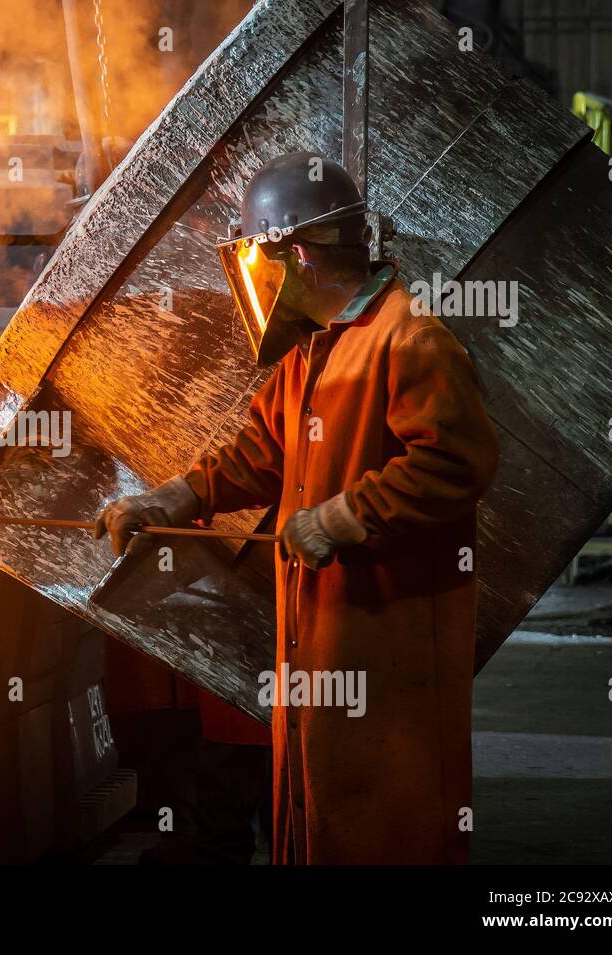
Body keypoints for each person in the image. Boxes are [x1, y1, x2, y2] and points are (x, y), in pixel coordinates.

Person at [94, 152, 499, 864]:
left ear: (300, 256)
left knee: (390, 824)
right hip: (317, 645)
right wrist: (170, 497)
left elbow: (456, 460)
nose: (256, 279)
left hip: (386, 650)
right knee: (315, 821)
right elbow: (256, 454)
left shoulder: (408, 339)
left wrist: (342, 518)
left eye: (261, 259)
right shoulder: (310, 355)